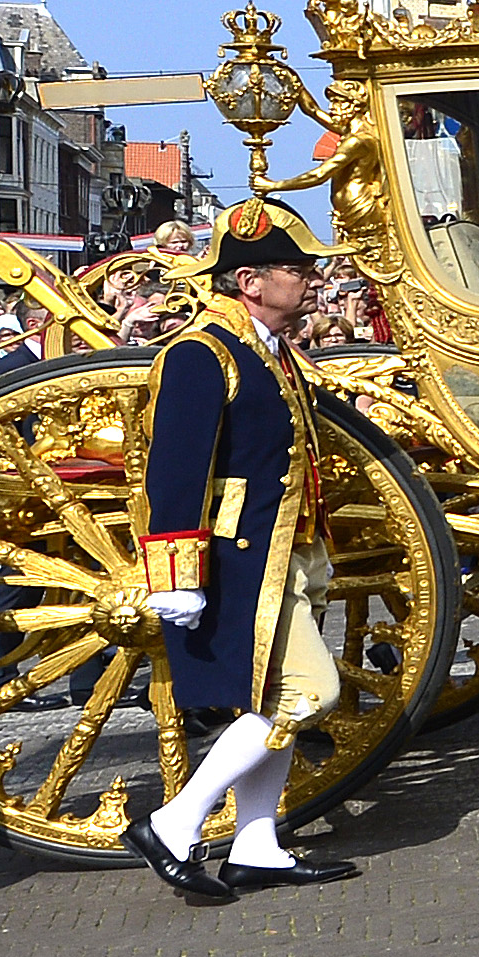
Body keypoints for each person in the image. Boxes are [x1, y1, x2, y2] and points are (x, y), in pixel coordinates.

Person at [117, 201, 368, 900]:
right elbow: (176, 468)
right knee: (309, 692)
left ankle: (257, 842)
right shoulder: (200, 353)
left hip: (288, 548)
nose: (313, 279)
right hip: (240, 557)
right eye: (297, 269)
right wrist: (176, 572)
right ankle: (174, 823)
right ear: (251, 281)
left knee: (271, 698)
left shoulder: (270, 349)